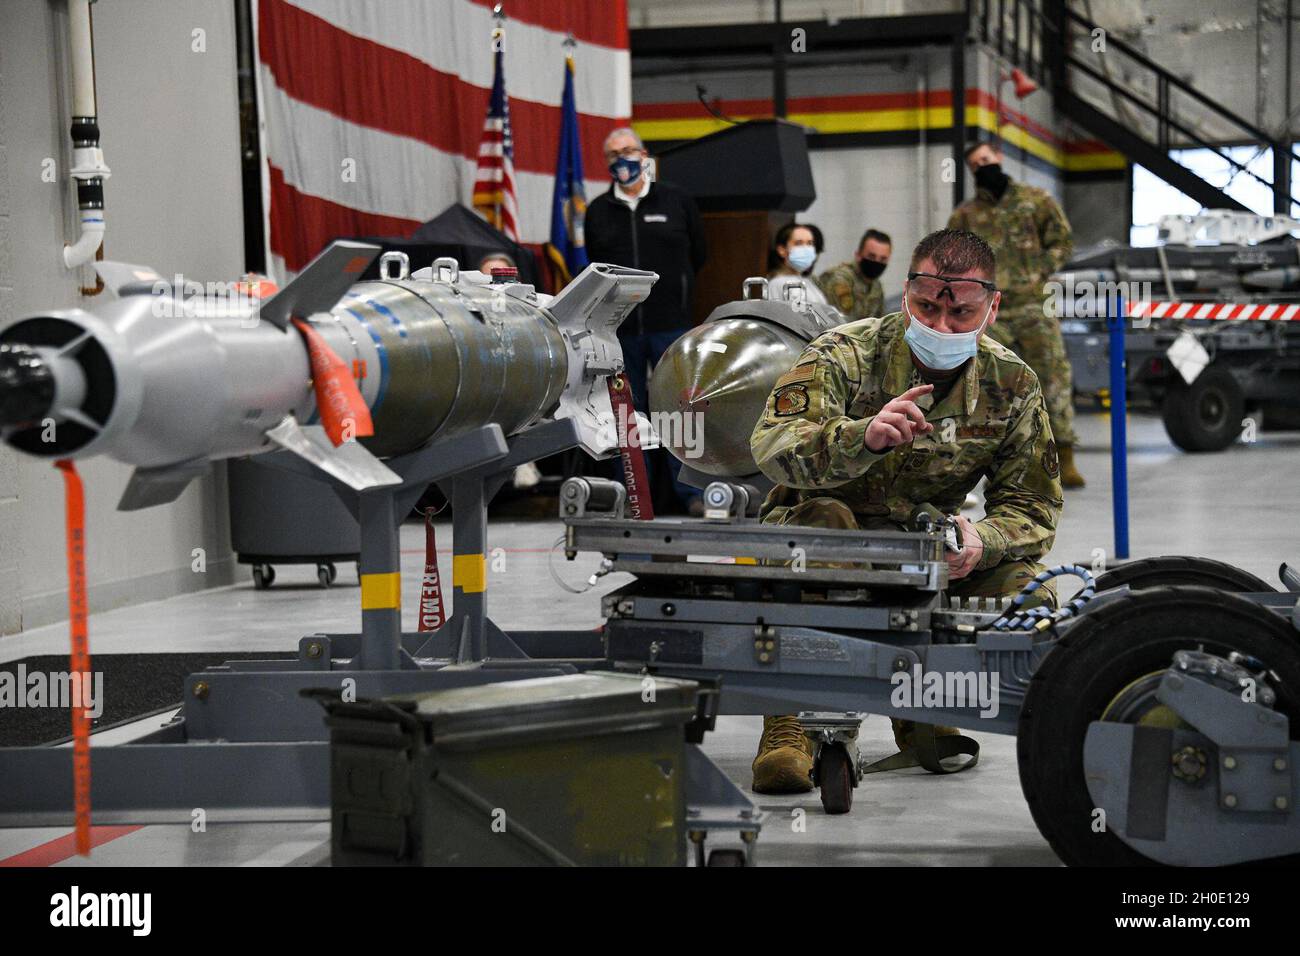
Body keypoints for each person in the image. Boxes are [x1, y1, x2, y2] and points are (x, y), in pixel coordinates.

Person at [746, 228, 1064, 794]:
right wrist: (859, 439)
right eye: (927, 308)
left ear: (992, 308)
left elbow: (1033, 504)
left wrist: (981, 539)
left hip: (926, 551)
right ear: (906, 296)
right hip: (823, 540)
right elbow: (772, 446)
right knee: (827, 528)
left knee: (1031, 597)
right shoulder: (845, 353)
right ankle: (790, 716)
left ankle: (922, 692)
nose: (940, 328)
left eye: (961, 313)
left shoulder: (1011, 383)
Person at [948, 142, 1083, 488]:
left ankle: (1063, 456)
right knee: (995, 385)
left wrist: (1038, 270)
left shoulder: (1036, 200)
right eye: (976, 164)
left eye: (987, 159)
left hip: (1035, 307)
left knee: (1052, 377)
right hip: (991, 313)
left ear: (999, 158)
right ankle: (998, 463)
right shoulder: (965, 216)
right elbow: (951, 258)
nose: (984, 166)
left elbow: (1063, 241)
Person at [585, 127, 707, 510]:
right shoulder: (598, 211)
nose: (623, 158)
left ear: (644, 154)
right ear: (607, 163)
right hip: (619, 330)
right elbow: (595, 267)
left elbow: (699, 255)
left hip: (671, 323)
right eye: (614, 154)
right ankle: (635, 494)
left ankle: (690, 494)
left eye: (629, 150)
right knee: (626, 411)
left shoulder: (676, 200)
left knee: (679, 405)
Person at [816, 228, 891, 320]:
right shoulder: (840, 279)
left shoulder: (876, 286)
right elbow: (841, 322)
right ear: (858, 255)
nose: (876, 262)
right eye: (871, 256)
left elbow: (880, 323)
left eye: (883, 259)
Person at [766, 222, 829, 306]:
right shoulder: (778, 284)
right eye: (799, 243)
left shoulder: (806, 281)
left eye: (809, 243)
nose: (806, 248)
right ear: (782, 250)